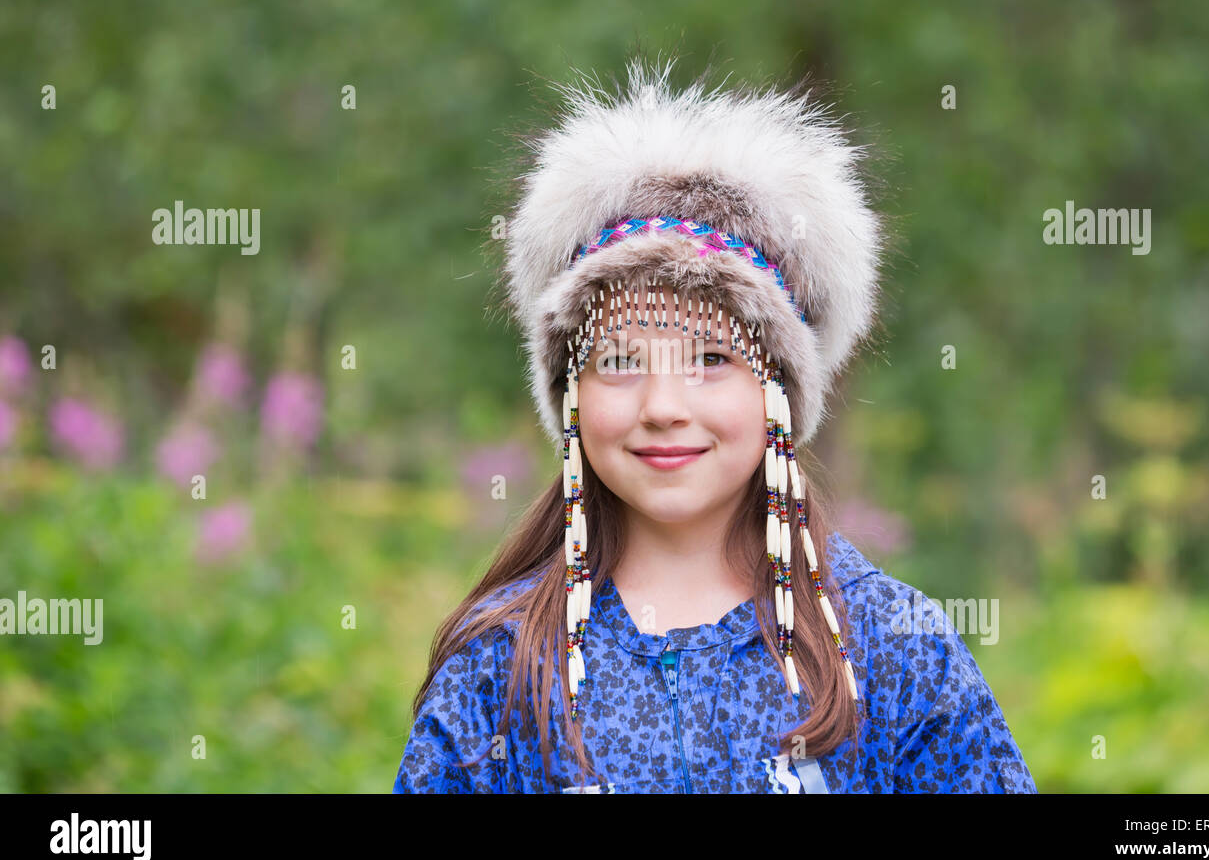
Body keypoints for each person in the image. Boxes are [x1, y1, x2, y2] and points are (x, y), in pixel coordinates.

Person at [393, 56, 1036, 793]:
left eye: (710, 359)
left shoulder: (895, 651)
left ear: (778, 392)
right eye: (620, 360)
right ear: (571, 396)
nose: (664, 405)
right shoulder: (500, 670)